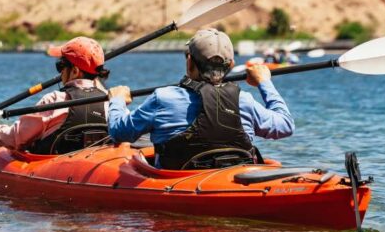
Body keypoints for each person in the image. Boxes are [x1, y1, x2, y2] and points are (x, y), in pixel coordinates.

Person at [107, 29, 294, 170]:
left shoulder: (163, 98)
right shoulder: (243, 100)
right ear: (231, 66)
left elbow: (120, 133)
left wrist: (117, 101)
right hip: (231, 179)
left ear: (189, 63)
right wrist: (264, 82)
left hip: (178, 180)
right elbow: (285, 126)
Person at [0, 37, 110, 155]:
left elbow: (14, 138)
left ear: (74, 71)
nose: (60, 72)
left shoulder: (55, 99)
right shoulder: (109, 101)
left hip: (56, 166)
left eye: (61, 65)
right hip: (93, 164)